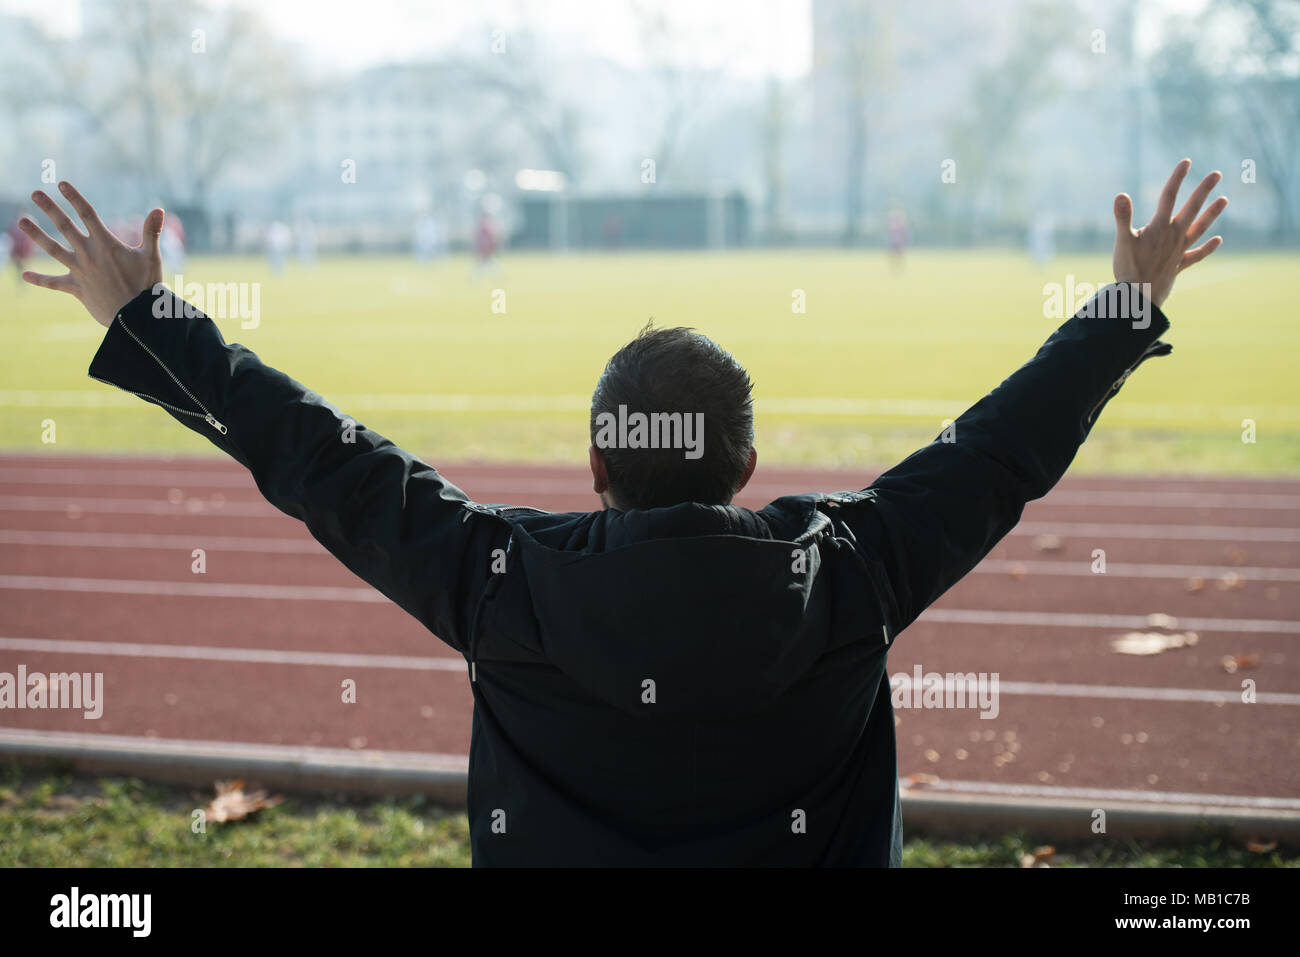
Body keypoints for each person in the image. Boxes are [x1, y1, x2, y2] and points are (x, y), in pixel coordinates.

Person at [17, 163, 1226, 866]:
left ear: (597, 464)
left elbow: (318, 461)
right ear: (747, 464)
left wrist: (148, 324)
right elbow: (1003, 450)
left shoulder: (500, 579)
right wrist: (1123, 309)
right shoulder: (851, 569)